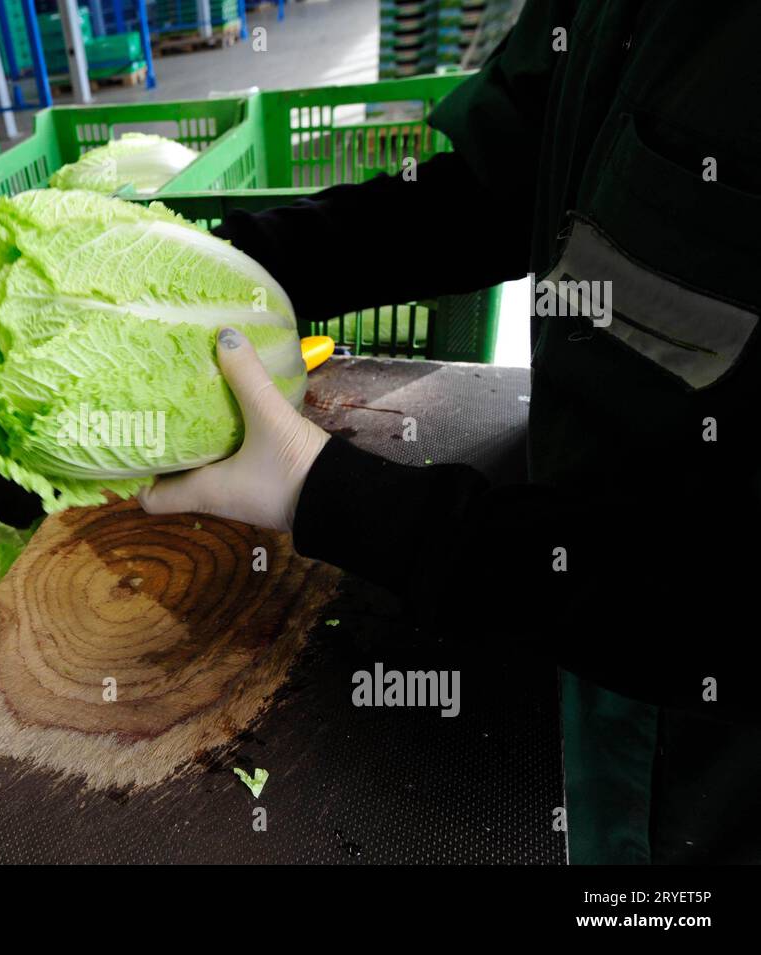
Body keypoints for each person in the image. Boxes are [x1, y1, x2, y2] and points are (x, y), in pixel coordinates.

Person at [140, 0, 761, 864]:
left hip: (713, 738)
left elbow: (722, 594)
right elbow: (503, 182)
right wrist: (242, 264)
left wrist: (333, 494)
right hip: (557, 569)